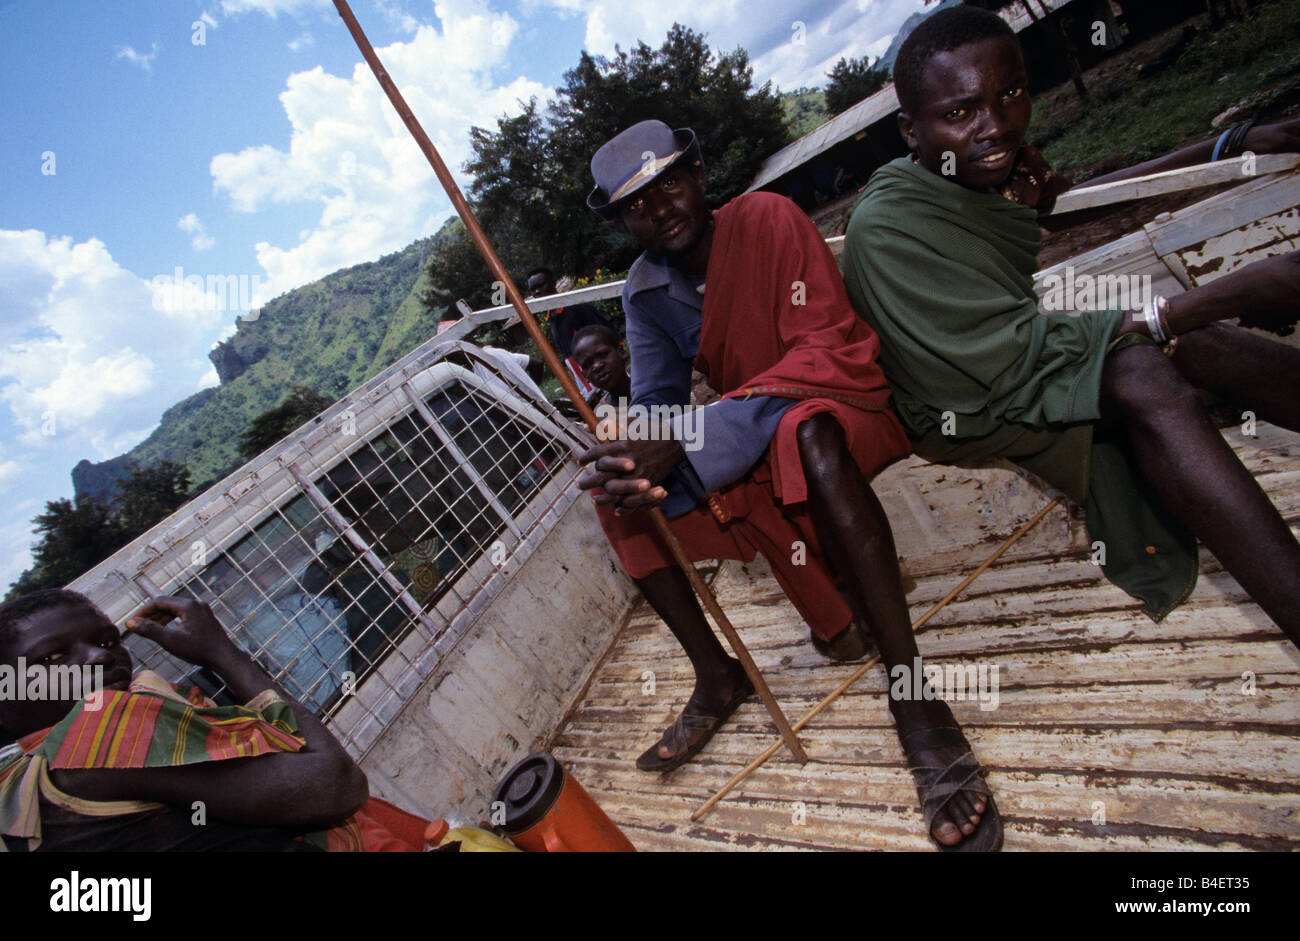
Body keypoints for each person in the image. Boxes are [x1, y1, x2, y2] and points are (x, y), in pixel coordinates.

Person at [577, 119, 1000, 850]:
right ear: (621, 221)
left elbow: (825, 346)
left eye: (669, 183)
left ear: (699, 171)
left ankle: (917, 704)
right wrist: (635, 445)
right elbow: (656, 401)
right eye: (636, 205)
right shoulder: (645, 290)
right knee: (615, 498)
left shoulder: (768, 220)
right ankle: (717, 675)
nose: (660, 208)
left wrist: (690, 437)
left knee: (805, 431)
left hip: (844, 403)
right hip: (748, 435)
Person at [842, 5, 1300, 645]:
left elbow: (1066, 204)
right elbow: (1000, 361)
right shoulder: (887, 226)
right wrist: (1219, 295)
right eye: (959, 112)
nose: (994, 126)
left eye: (1010, 95)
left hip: (1009, 348)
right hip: (961, 401)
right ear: (909, 131)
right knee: (1144, 365)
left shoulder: (981, 163)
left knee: (1192, 345)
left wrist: (1228, 145)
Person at [0, 589, 429, 851]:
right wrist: (219, 651)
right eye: (51, 658)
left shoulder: (19, 791)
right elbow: (338, 788)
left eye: (107, 639)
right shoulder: (100, 728)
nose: (98, 656)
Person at [570, 323, 632, 408]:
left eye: (603, 354)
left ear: (621, 352)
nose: (597, 366)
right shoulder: (601, 417)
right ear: (584, 376)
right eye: (587, 365)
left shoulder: (651, 381)